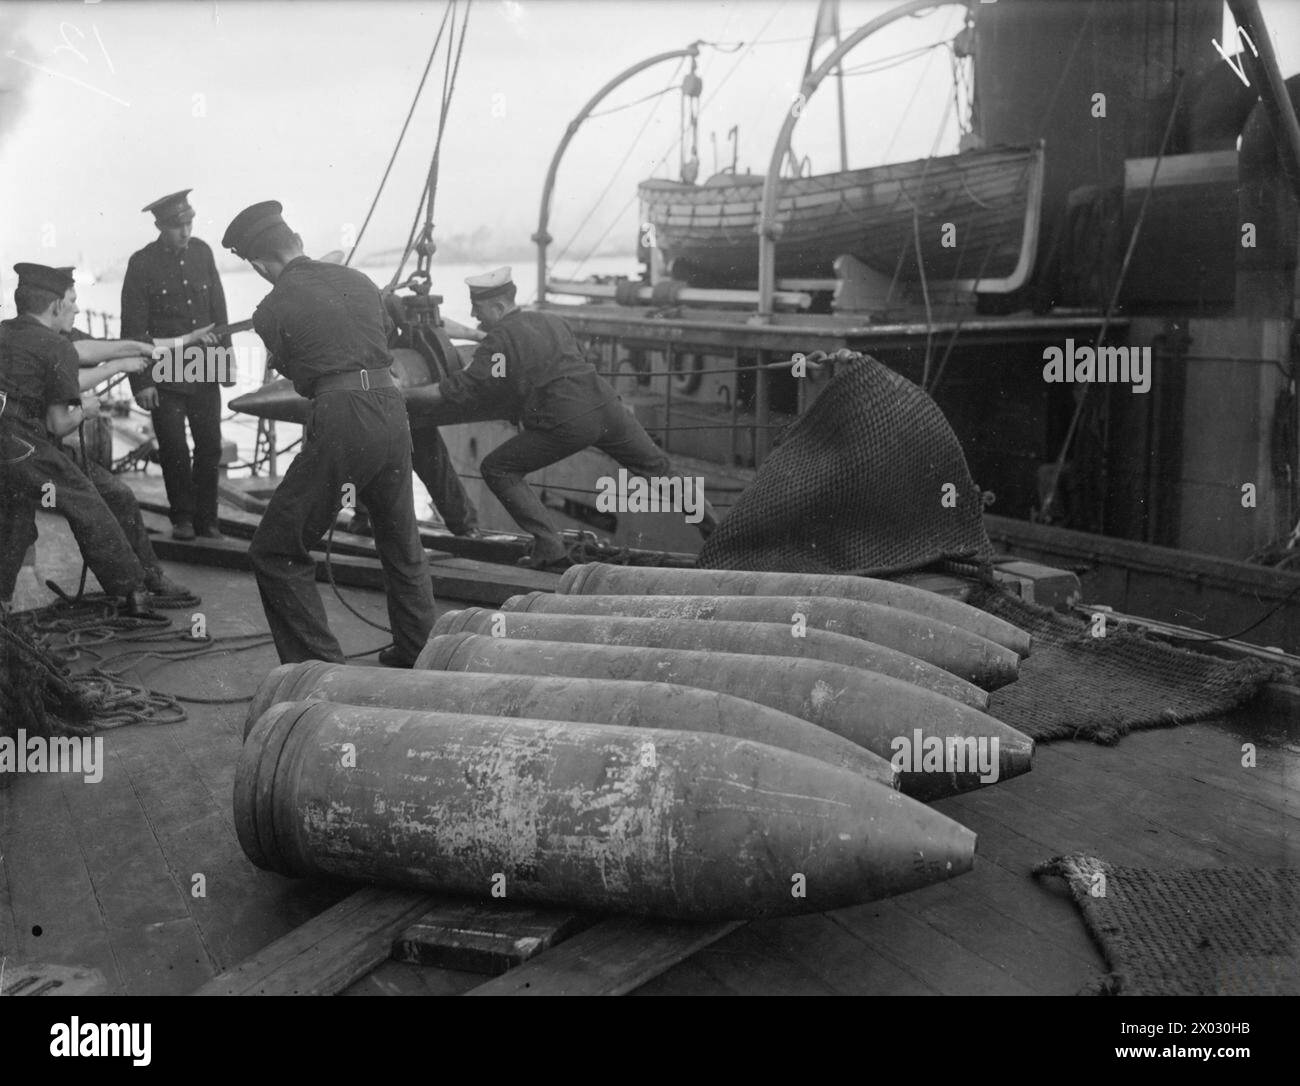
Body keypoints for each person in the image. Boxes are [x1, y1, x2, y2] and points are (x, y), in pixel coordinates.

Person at [221, 200, 435, 666]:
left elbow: (299, 377)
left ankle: (320, 669)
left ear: (258, 265)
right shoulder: (361, 281)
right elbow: (385, 333)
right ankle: (418, 652)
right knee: (402, 542)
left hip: (342, 417)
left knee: (276, 550)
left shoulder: (269, 310)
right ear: (296, 240)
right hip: (393, 410)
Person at [407, 267, 718, 569]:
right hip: (608, 406)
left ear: (499, 305)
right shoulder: (551, 320)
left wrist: (403, 394)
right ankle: (719, 537)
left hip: (568, 421)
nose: (475, 315)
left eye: (478, 308)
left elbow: (459, 388)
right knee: (660, 471)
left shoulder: (499, 341)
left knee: (498, 468)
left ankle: (549, 546)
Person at [0, 263, 193, 614]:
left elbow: (76, 358)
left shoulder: (6, 333)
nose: (76, 308)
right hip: (28, 448)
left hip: (13, 450)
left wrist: (130, 355)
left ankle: (3, 601)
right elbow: (60, 423)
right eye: (72, 301)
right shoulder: (54, 346)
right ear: (56, 306)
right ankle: (134, 592)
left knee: (18, 516)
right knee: (88, 502)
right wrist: (85, 410)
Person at [121, 189, 229, 541]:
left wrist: (224, 365)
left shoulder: (202, 253)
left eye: (189, 222)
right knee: (173, 447)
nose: (186, 231)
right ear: (160, 226)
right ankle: (182, 517)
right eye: (178, 225)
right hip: (163, 369)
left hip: (203, 366)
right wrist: (142, 383)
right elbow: (133, 330)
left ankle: (207, 520)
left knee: (210, 444)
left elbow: (219, 312)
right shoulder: (142, 264)